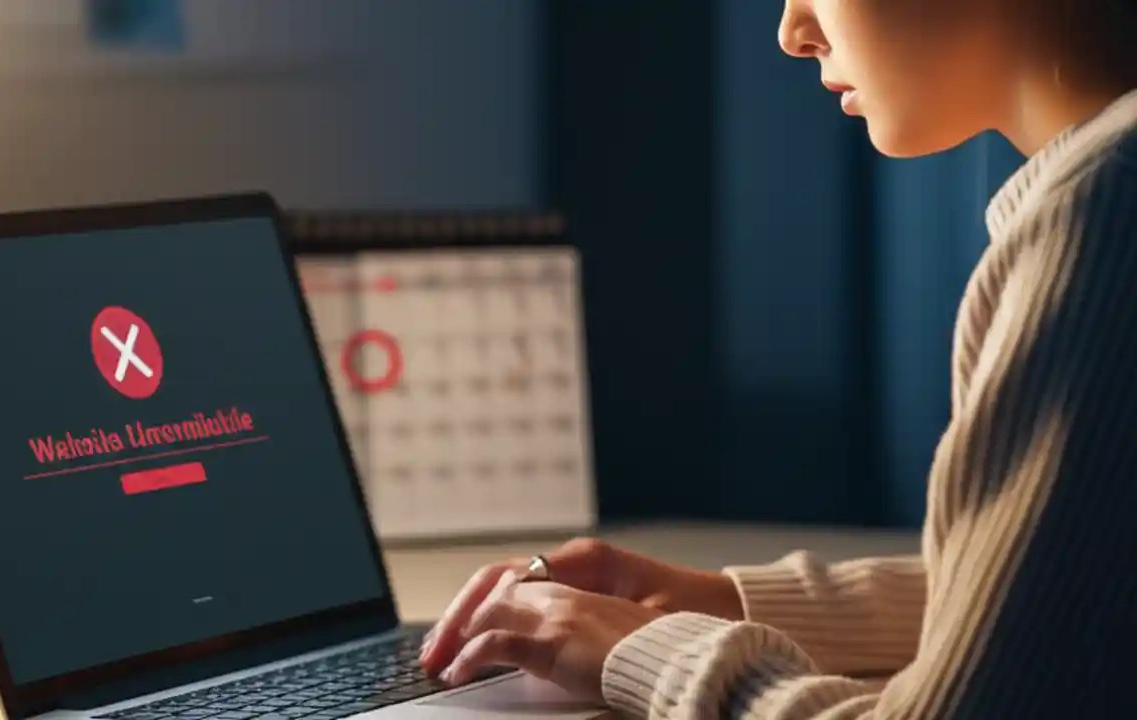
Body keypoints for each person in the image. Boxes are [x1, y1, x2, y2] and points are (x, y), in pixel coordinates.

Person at [419, 0, 1137, 717]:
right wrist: (727, 602)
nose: (793, 33)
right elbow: (1078, 590)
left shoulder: (1103, 216)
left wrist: (643, 653)